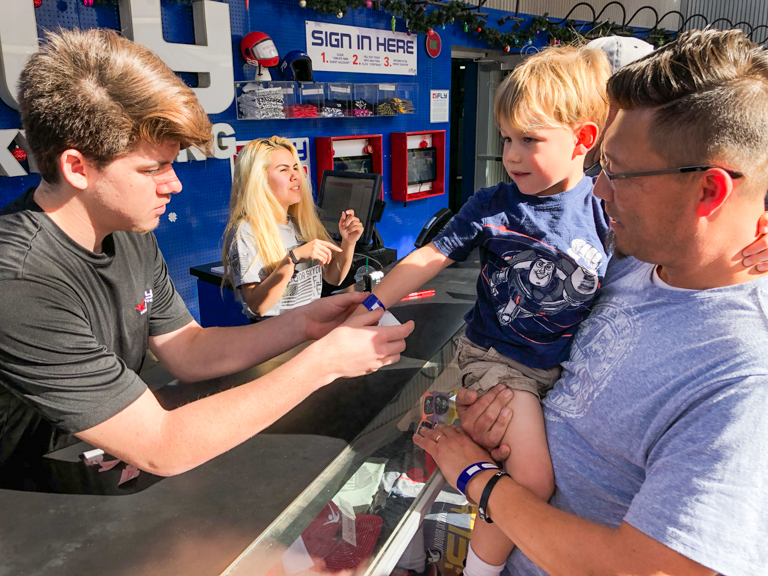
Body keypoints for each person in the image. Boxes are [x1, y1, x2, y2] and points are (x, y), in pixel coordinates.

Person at [414, 29, 768, 576]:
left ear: (709, 191)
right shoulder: (635, 262)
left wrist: (478, 478)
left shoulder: (742, 379)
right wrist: (496, 427)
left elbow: (650, 568)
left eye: (618, 174)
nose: (596, 193)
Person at [0, 28, 413, 485]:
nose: (173, 184)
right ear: (77, 167)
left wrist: (305, 323)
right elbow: (161, 444)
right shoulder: (19, 280)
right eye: (152, 169)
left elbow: (188, 350)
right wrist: (323, 362)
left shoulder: (130, 233)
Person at [366, 45, 613, 574]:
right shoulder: (495, 205)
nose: (513, 155)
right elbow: (430, 256)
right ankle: (480, 570)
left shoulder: (606, 211)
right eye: (506, 139)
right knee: (531, 481)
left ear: (584, 140)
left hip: (558, 370)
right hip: (498, 362)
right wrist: (371, 303)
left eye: (530, 140)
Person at [222, 136, 363, 321]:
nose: (296, 175)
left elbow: (332, 278)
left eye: (295, 167)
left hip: (309, 328)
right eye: (284, 169)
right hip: (275, 339)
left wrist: (348, 242)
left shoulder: (300, 224)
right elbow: (258, 306)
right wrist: (293, 259)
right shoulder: (246, 232)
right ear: (260, 180)